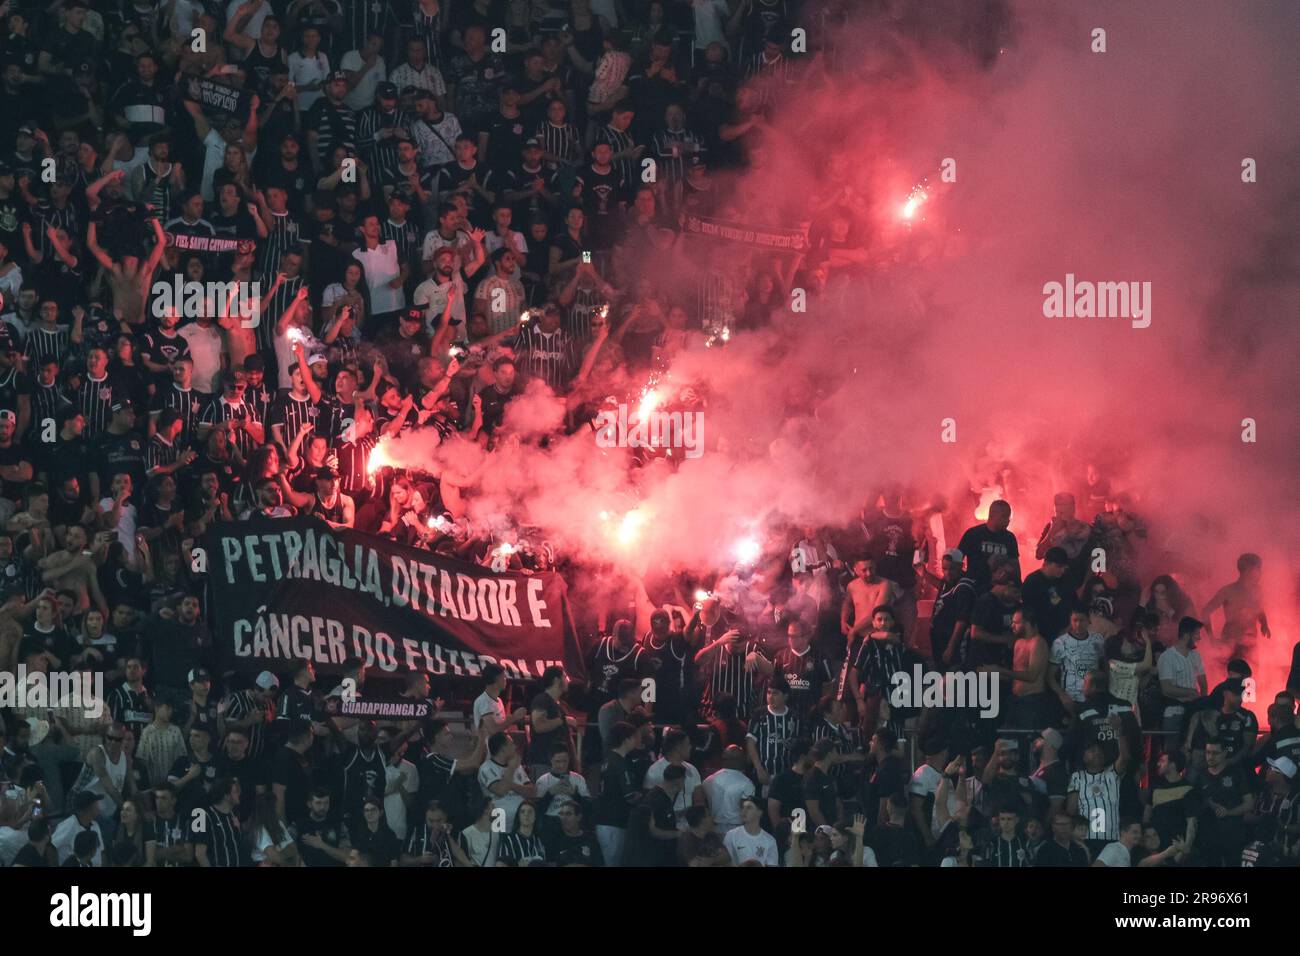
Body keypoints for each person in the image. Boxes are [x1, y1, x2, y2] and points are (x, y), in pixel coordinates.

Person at [723, 795, 779, 866]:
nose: (744, 811)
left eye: (749, 808)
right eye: (743, 807)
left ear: (760, 812)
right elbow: (725, 862)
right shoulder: (731, 835)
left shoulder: (770, 840)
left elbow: (772, 865)